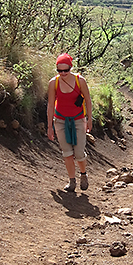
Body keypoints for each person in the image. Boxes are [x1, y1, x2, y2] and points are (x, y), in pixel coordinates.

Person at [47, 53, 93, 192]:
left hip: (79, 119)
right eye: (59, 71)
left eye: (65, 70)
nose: (62, 73)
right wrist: (50, 126)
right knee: (67, 153)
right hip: (60, 120)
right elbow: (50, 105)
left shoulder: (80, 81)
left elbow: (88, 101)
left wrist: (89, 119)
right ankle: (71, 181)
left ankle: (83, 174)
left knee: (79, 153)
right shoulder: (53, 83)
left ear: (70, 68)